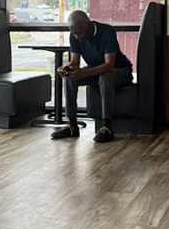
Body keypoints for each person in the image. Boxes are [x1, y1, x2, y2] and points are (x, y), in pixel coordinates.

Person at [51, 10, 133, 144]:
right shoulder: (75, 35)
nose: (77, 37)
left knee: (105, 77)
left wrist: (84, 73)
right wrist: (67, 69)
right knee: (70, 78)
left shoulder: (107, 32)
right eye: (74, 33)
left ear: (88, 25)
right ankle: (72, 126)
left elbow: (109, 65)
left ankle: (107, 127)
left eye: (79, 33)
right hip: (96, 71)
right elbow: (75, 63)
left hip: (120, 70)